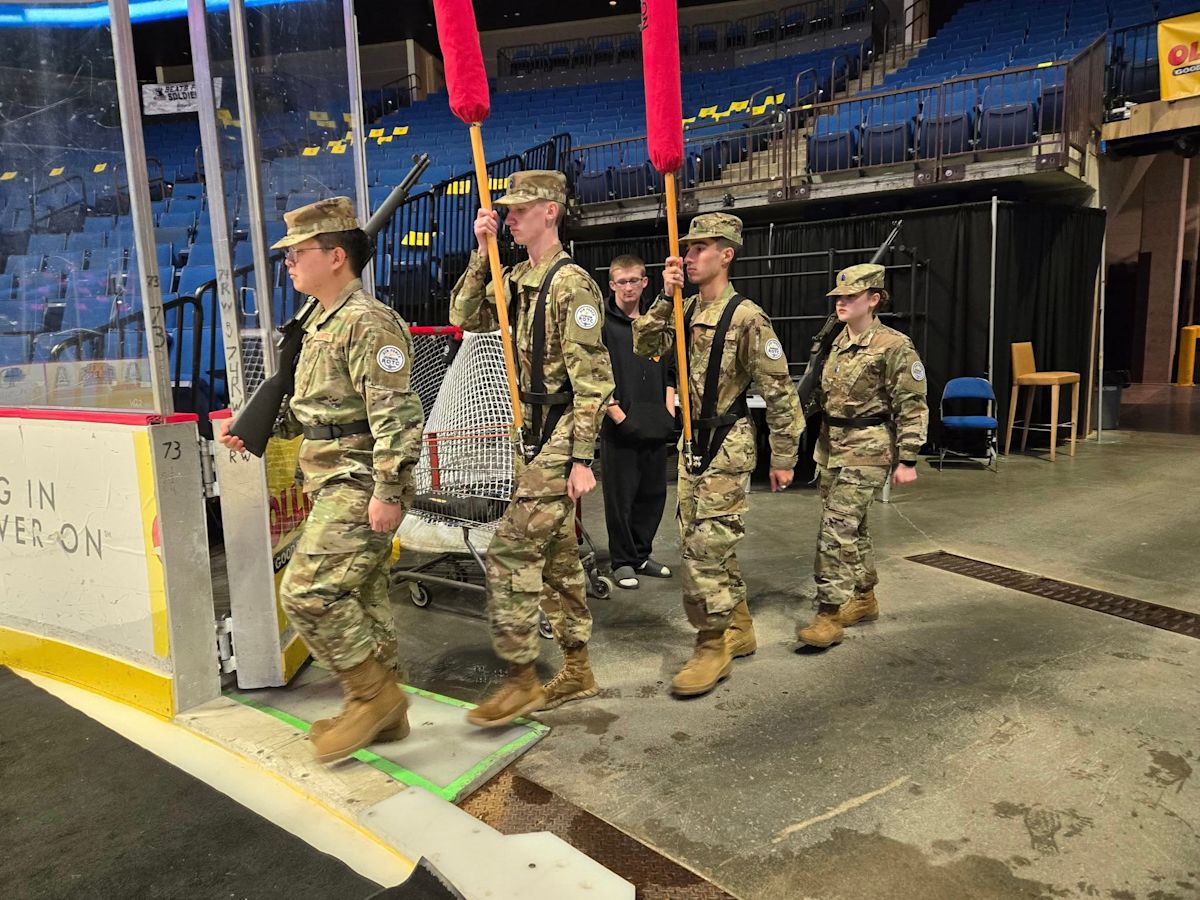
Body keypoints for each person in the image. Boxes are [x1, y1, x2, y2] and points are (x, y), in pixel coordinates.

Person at [217, 197, 424, 763]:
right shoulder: (316, 324)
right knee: (364, 595)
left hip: (358, 481)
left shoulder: (368, 322)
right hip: (330, 478)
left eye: (298, 251)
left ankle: (372, 696)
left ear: (336, 257)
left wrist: (389, 492)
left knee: (306, 593)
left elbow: (397, 415)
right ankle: (389, 716)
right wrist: (261, 426)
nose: (287, 261)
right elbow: (321, 407)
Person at [449, 170, 615, 725]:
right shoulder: (513, 274)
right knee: (559, 561)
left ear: (551, 211)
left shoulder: (574, 285)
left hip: (561, 428)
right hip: (531, 431)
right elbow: (463, 316)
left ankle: (521, 678)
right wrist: (482, 250)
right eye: (507, 209)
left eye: (521, 209)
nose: (510, 216)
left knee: (510, 553)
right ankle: (578, 668)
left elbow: (593, 381)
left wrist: (583, 458)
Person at [634, 214, 804, 697]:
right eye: (686, 249)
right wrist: (661, 301)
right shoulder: (682, 308)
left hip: (727, 445)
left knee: (704, 549)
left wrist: (785, 455)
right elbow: (644, 346)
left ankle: (712, 645)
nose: (688, 256)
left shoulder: (748, 318)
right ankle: (739, 625)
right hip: (691, 443)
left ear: (727, 254)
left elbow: (779, 390)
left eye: (700, 248)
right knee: (703, 539)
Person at [795, 263, 929, 649]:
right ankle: (865, 596)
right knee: (855, 527)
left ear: (873, 299)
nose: (841, 303)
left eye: (850, 296)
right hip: (831, 445)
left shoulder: (894, 346)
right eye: (838, 297)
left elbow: (912, 403)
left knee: (835, 531)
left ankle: (828, 613)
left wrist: (907, 458)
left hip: (869, 446)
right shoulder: (836, 342)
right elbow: (822, 394)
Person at [600, 253, 676, 591]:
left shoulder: (657, 321)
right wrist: (617, 415)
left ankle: (642, 555)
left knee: (653, 494)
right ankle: (622, 561)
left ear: (645, 282)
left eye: (635, 280)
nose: (628, 287)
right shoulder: (602, 324)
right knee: (621, 498)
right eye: (622, 281)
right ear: (612, 284)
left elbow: (671, 370)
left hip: (656, 423)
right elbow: (594, 376)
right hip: (619, 424)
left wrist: (669, 411)